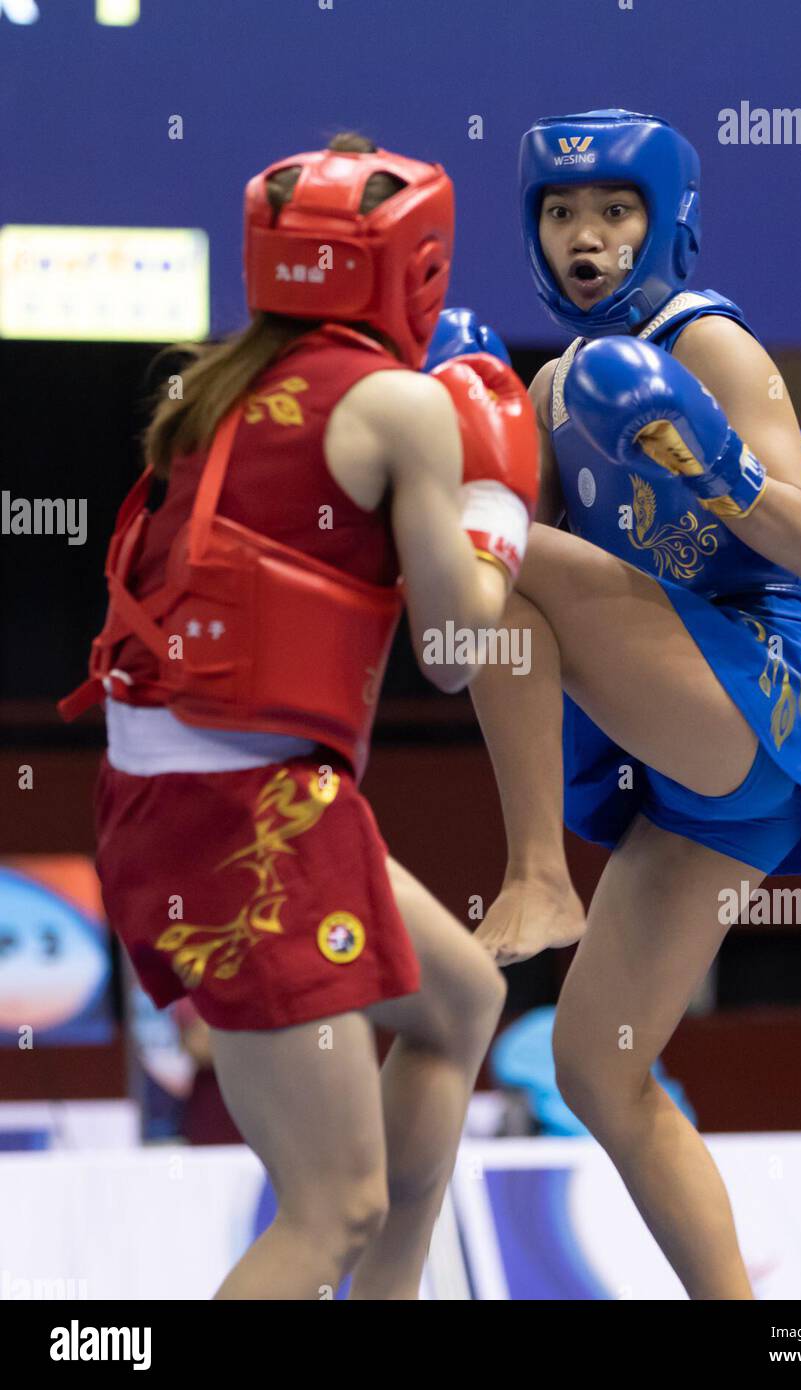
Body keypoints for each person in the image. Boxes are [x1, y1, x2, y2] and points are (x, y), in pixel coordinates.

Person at [59, 133, 538, 1299]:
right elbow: (455, 647)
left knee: (461, 1001)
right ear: (410, 265)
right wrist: (496, 501)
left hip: (188, 798)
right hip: (246, 813)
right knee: (330, 1210)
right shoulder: (397, 405)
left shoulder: (209, 387)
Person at [467, 109, 801, 1299]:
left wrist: (710, 459)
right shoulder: (547, 391)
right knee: (598, 1066)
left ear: (665, 221)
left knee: (501, 545)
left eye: (614, 210)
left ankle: (538, 870)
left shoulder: (713, 343)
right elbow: (495, 605)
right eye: (562, 212)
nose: (586, 236)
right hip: (679, 748)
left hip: (758, 686)